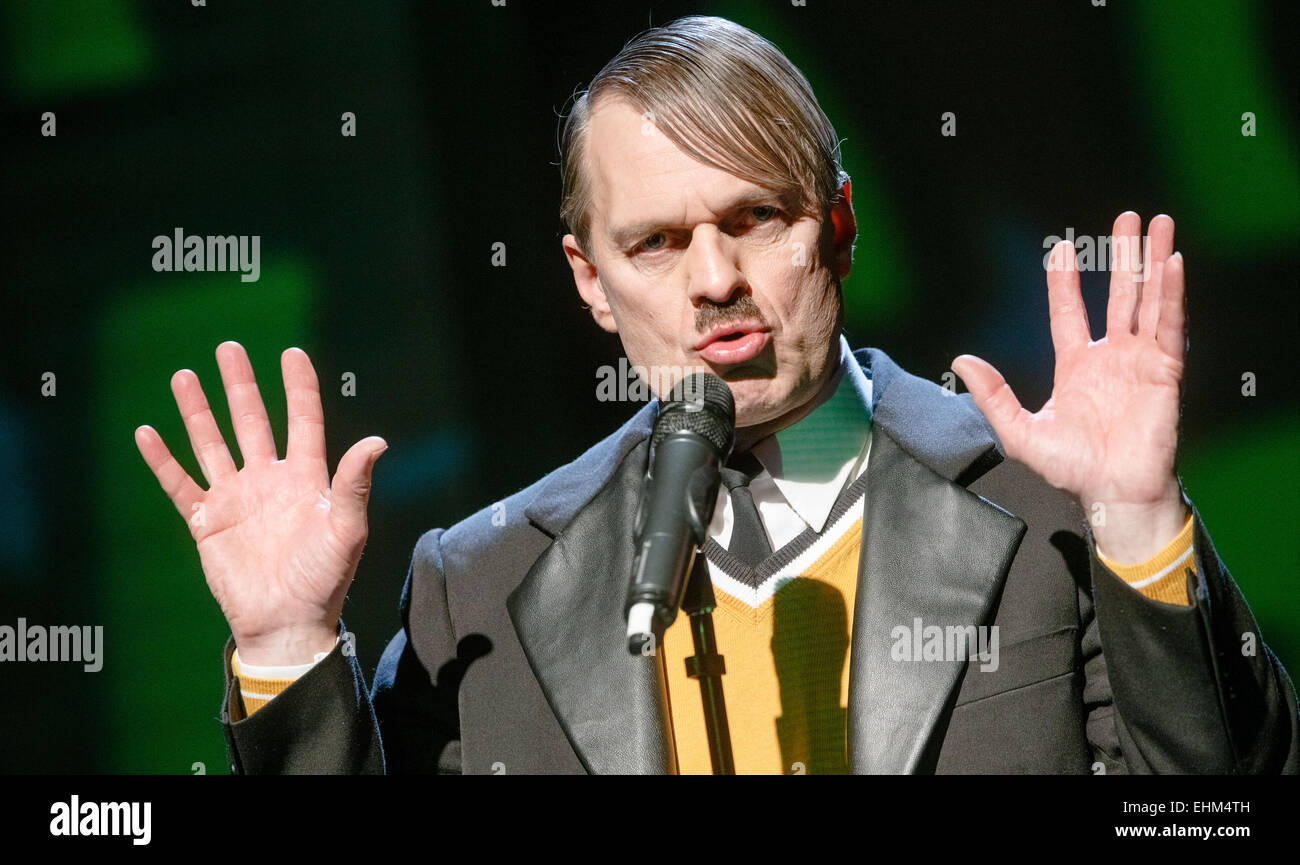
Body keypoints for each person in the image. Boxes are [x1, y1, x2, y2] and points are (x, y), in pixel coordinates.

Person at [135, 15, 1297, 774]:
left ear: (836, 226)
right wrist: (288, 650)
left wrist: (1138, 526)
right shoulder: (477, 585)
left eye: (754, 218)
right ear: (590, 281)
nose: (714, 282)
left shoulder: (1048, 513)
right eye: (654, 242)